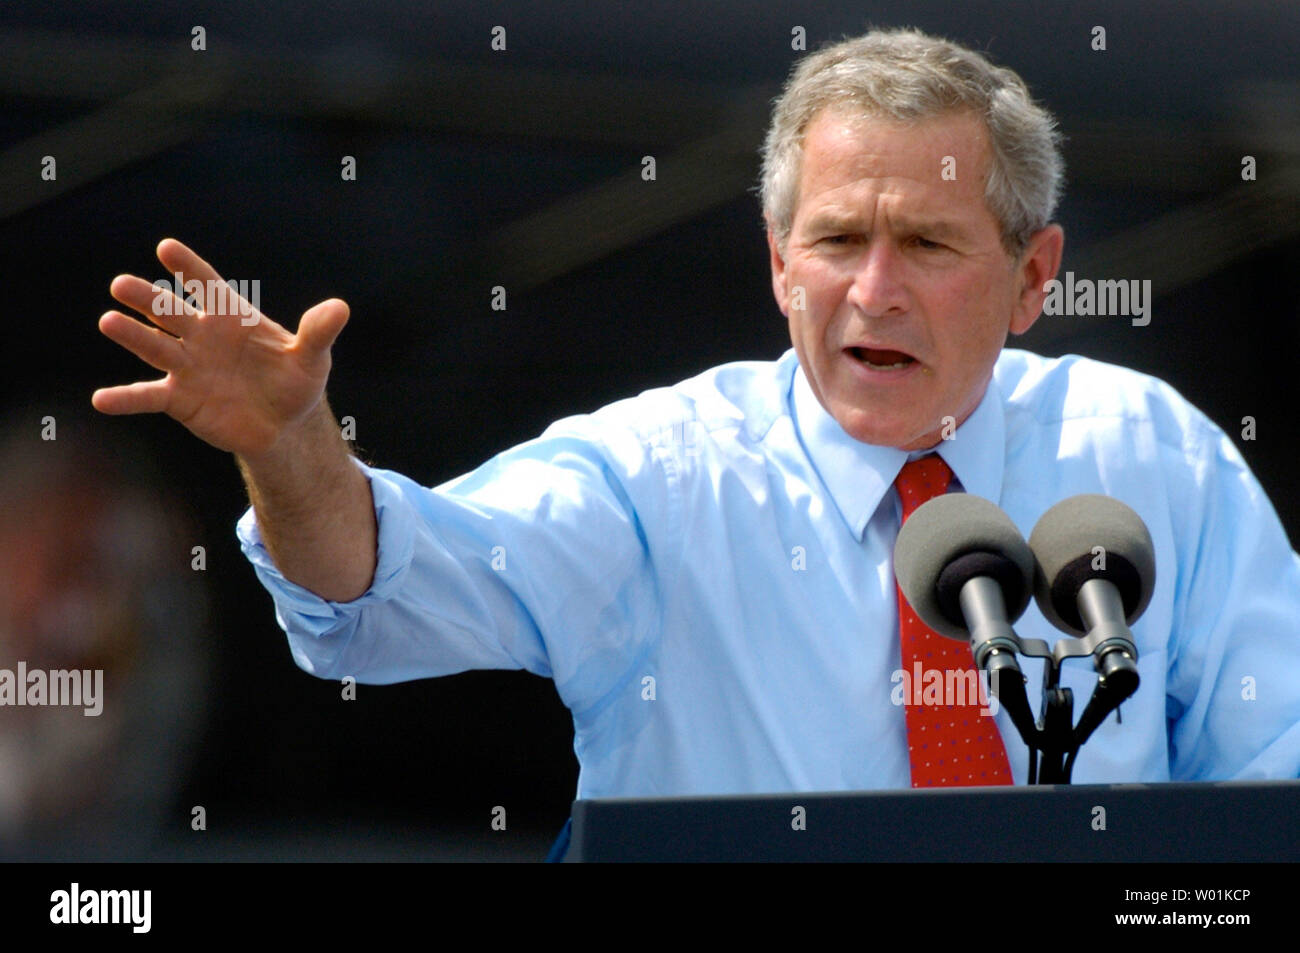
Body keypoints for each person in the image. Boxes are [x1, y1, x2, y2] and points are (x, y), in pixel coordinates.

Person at [93, 28, 1300, 802]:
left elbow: (1275, 760)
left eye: (926, 243)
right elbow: (378, 592)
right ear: (780, 263)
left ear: (1036, 278)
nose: (870, 288)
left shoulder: (1143, 451)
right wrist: (291, 445)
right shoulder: (660, 471)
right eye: (834, 239)